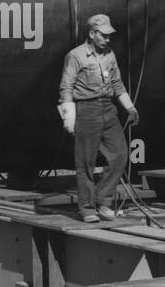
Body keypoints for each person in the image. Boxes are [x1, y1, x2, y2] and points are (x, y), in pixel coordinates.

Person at [58, 14, 139, 223]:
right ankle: (87, 209)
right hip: (86, 110)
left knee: (120, 155)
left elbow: (117, 84)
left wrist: (130, 108)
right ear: (92, 33)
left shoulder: (109, 55)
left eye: (109, 36)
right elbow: (66, 88)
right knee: (85, 161)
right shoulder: (75, 56)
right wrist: (69, 118)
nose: (107, 40)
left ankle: (104, 201)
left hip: (108, 109)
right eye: (103, 36)